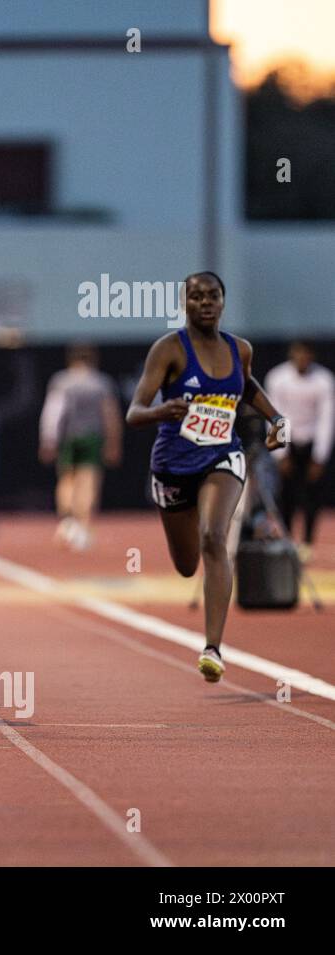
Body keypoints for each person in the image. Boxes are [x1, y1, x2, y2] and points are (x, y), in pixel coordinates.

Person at [126, 272, 286, 683]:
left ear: (223, 301)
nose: (205, 303)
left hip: (222, 455)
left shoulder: (240, 349)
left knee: (215, 538)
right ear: (185, 303)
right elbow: (134, 412)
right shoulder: (168, 350)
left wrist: (275, 418)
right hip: (173, 464)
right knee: (186, 564)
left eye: (212, 295)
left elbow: (245, 385)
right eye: (196, 296)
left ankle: (213, 648)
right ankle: (191, 538)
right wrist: (165, 410)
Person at [38, 343, 122, 551]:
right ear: (93, 359)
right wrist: (113, 442)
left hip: (69, 437)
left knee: (67, 479)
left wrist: (48, 440)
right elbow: (109, 414)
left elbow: (53, 413)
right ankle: (82, 527)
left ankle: (67, 522)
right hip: (92, 437)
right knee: (88, 481)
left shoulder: (62, 381)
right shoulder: (100, 383)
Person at [263, 340, 334, 550]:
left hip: (311, 441)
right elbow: (274, 414)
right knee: (286, 495)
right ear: (292, 354)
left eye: (306, 354)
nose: (302, 358)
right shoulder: (278, 378)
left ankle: (307, 542)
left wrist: (319, 457)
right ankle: (286, 539)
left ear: (312, 356)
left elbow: (326, 419)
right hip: (288, 441)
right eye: (298, 353)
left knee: (312, 495)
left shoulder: (323, 380)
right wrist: (280, 453)